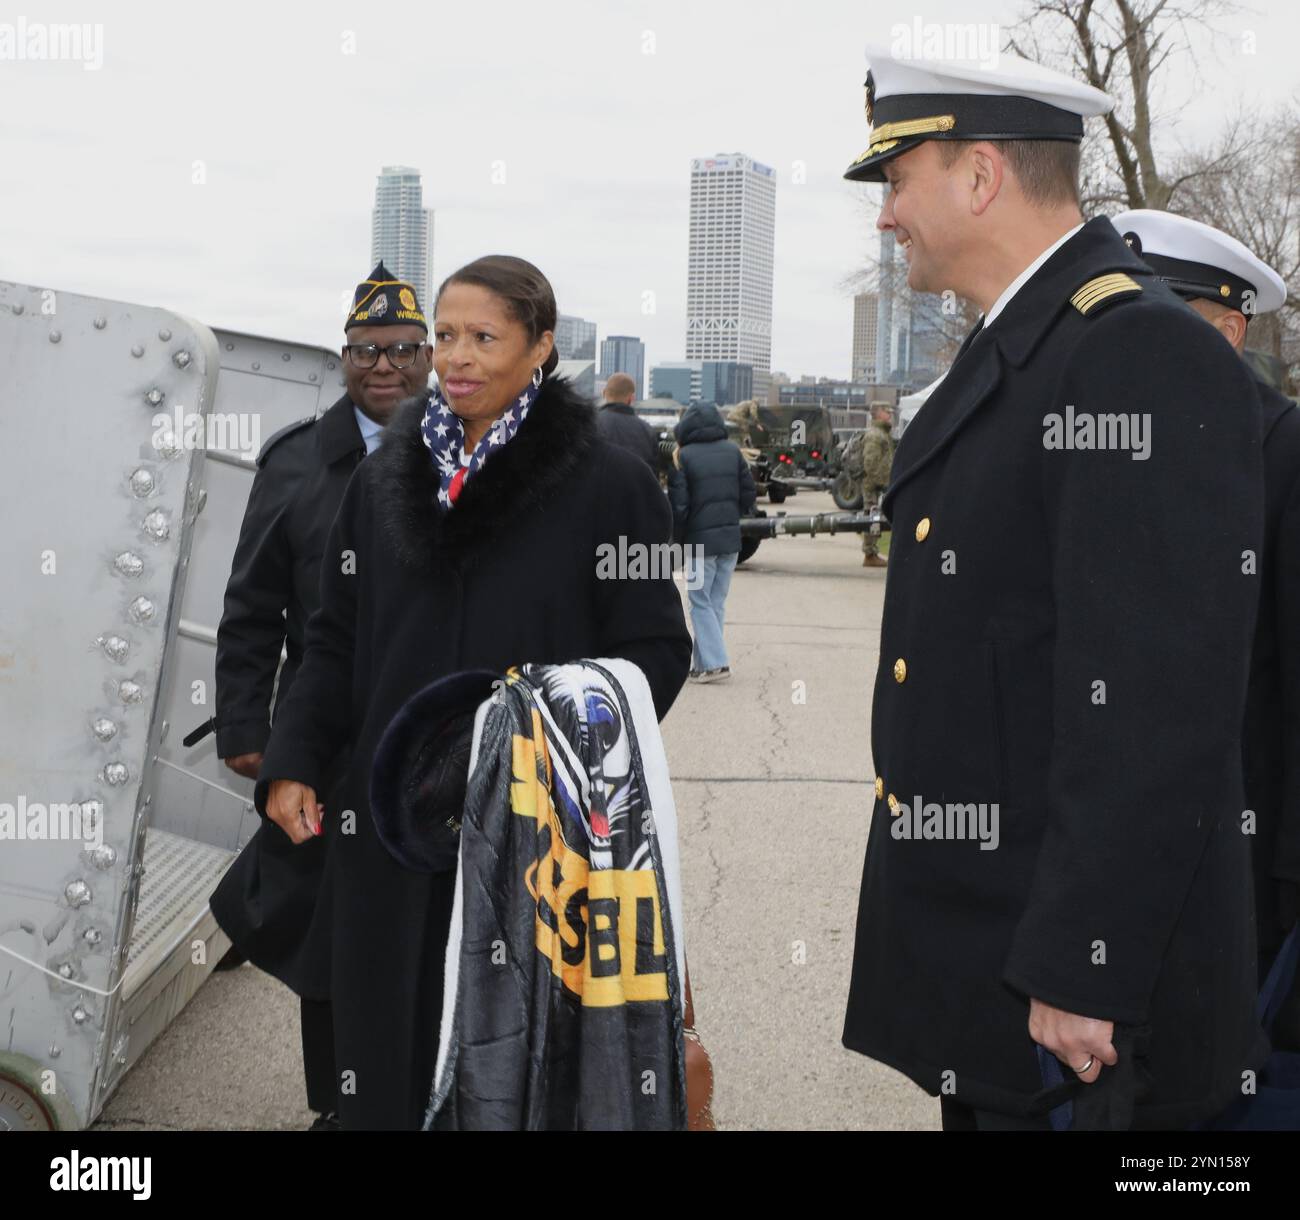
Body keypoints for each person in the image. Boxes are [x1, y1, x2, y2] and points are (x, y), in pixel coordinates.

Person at [839, 46, 1266, 1131]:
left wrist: (1088, 956)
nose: (888, 217)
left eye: (898, 179)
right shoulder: (1030, 350)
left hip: (1073, 998)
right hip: (992, 941)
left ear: (978, 176)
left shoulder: (1133, 356)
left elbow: (1154, 697)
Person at [252, 254, 693, 1129]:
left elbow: (655, 648)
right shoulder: (384, 479)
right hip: (390, 817)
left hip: (539, 833)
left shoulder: (608, 481)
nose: (456, 357)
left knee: (521, 1067)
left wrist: (555, 741)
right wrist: (295, 758)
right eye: (446, 336)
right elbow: (331, 637)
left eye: (484, 337)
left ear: (539, 347)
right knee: (388, 1051)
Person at [203, 261, 431, 1129]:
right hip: (327, 737)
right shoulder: (299, 463)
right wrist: (244, 726)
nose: (385, 366)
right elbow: (253, 606)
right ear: (344, 358)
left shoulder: (467, 456)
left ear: (427, 359)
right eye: (367, 351)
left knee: (429, 921)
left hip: (431, 736)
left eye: (404, 350)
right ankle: (340, 1102)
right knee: (331, 935)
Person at [1113, 209, 1300, 993]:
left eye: (1150, 317)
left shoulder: (1285, 452)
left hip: (1239, 867)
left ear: (1226, 331)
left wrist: (1285, 886)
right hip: (1109, 854)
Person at [668, 402, 756, 683]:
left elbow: (679, 507)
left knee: (699, 602)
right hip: (730, 541)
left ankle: (717, 663)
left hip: (699, 543)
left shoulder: (683, 456)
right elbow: (749, 495)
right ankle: (702, 664)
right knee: (714, 603)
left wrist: (677, 541)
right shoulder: (733, 451)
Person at [854, 405, 894, 567]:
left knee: (874, 518)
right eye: (887, 411)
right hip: (873, 485)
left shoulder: (881, 433)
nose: (890, 414)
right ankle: (870, 554)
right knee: (872, 518)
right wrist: (882, 483)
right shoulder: (875, 435)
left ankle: (871, 553)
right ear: (879, 414)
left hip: (878, 484)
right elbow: (870, 463)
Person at [596, 371, 659, 472]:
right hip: (635, 486)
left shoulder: (590, 424)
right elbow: (653, 473)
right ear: (631, 398)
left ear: (604, 393)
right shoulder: (647, 431)